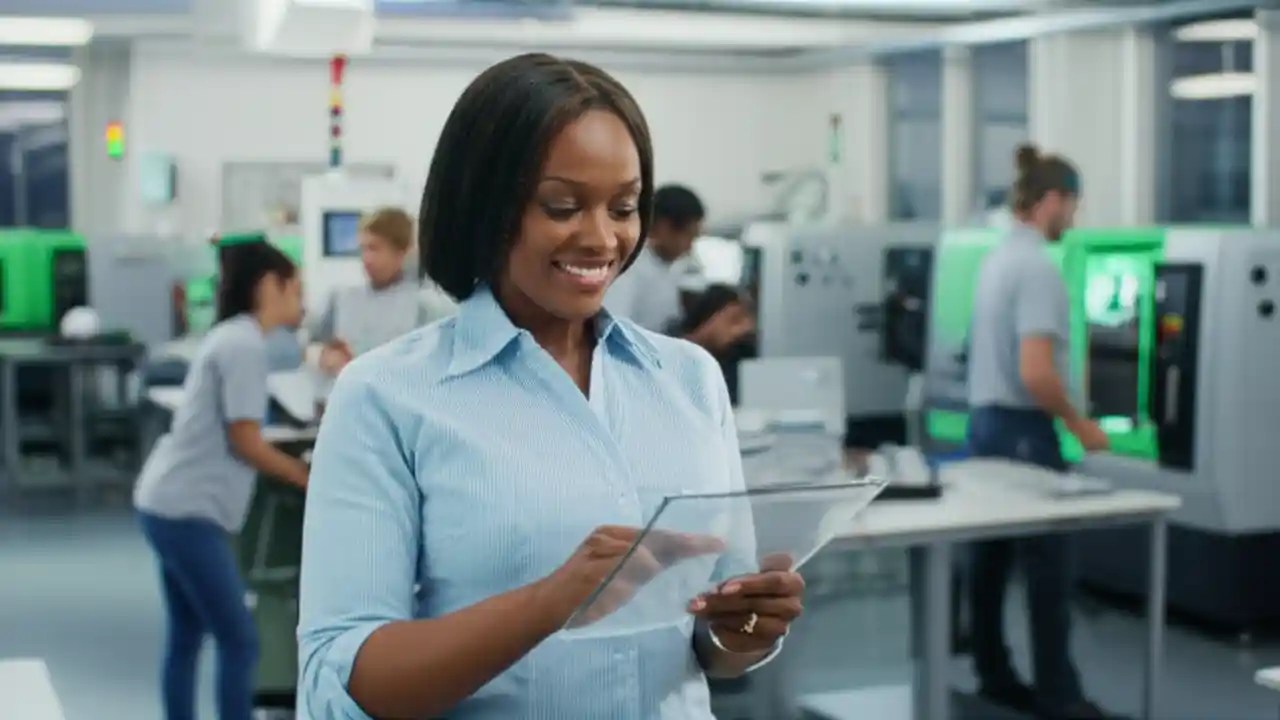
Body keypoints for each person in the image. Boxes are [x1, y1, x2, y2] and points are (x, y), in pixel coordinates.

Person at [297, 52, 806, 720]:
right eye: (562, 206)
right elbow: (342, 680)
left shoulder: (688, 379)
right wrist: (549, 602)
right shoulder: (387, 396)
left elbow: (711, 640)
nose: (602, 238)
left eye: (624, 207)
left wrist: (747, 627)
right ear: (485, 205)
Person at [133, 240, 310, 720]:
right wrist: (304, 477)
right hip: (186, 511)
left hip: (165, 503)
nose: (302, 297)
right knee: (239, 639)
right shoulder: (244, 344)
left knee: (187, 636)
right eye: (295, 286)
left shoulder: (232, 337)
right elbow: (245, 440)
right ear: (269, 285)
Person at [965, 144, 1112, 720]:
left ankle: (993, 673)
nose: (1073, 220)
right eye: (1073, 207)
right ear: (1053, 200)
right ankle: (1060, 697)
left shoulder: (998, 258)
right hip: (1025, 429)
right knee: (1048, 569)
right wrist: (1080, 424)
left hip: (986, 423)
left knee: (990, 565)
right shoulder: (1038, 269)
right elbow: (1036, 371)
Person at [309, 207, 457, 387]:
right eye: (362, 249)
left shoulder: (426, 306)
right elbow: (311, 344)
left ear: (401, 252)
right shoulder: (342, 299)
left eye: (375, 248)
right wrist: (324, 357)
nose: (366, 258)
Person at [605, 184, 754, 356]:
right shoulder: (629, 271)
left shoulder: (668, 268)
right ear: (664, 227)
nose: (690, 248)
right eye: (689, 236)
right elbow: (615, 342)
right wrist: (704, 338)